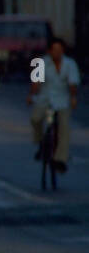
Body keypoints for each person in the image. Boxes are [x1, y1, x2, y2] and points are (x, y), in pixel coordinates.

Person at [28, 37, 80, 174]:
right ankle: (40, 143)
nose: (57, 53)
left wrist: (74, 97)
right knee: (35, 119)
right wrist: (31, 95)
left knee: (64, 128)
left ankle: (60, 159)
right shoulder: (41, 63)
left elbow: (73, 84)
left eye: (60, 50)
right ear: (49, 51)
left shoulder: (70, 64)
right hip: (44, 98)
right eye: (54, 50)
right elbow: (35, 84)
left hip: (62, 100)